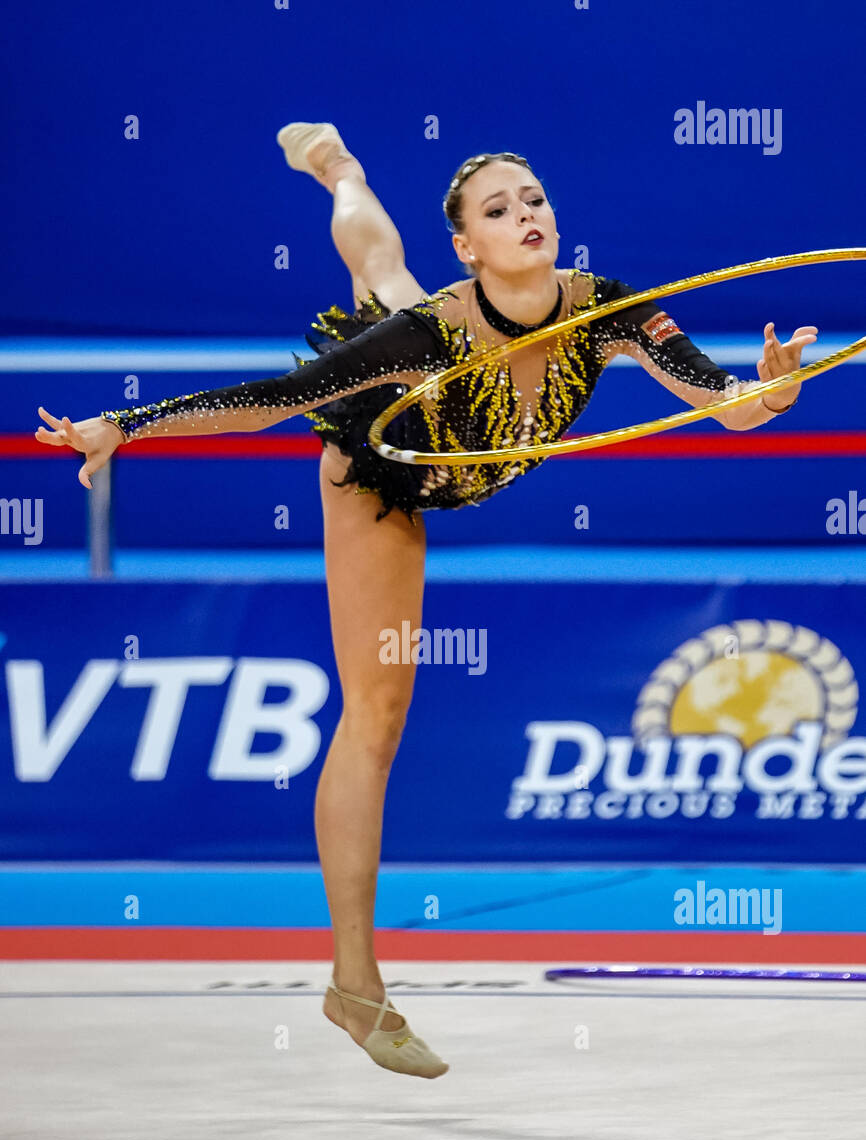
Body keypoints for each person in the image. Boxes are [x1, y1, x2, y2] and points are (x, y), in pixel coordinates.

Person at [34, 124, 818, 1080]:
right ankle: (354, 983)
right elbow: (276, 398)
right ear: (470, 246)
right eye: (498, 210)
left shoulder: (611, 308)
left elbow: (720, 400)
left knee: (379, 265)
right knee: (377, 712)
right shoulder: (430, 334)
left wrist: (770, 393)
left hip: (451, 424)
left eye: (533, 198)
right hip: (379, 476)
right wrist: (125, 425)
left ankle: (341, 168)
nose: (525, 216)